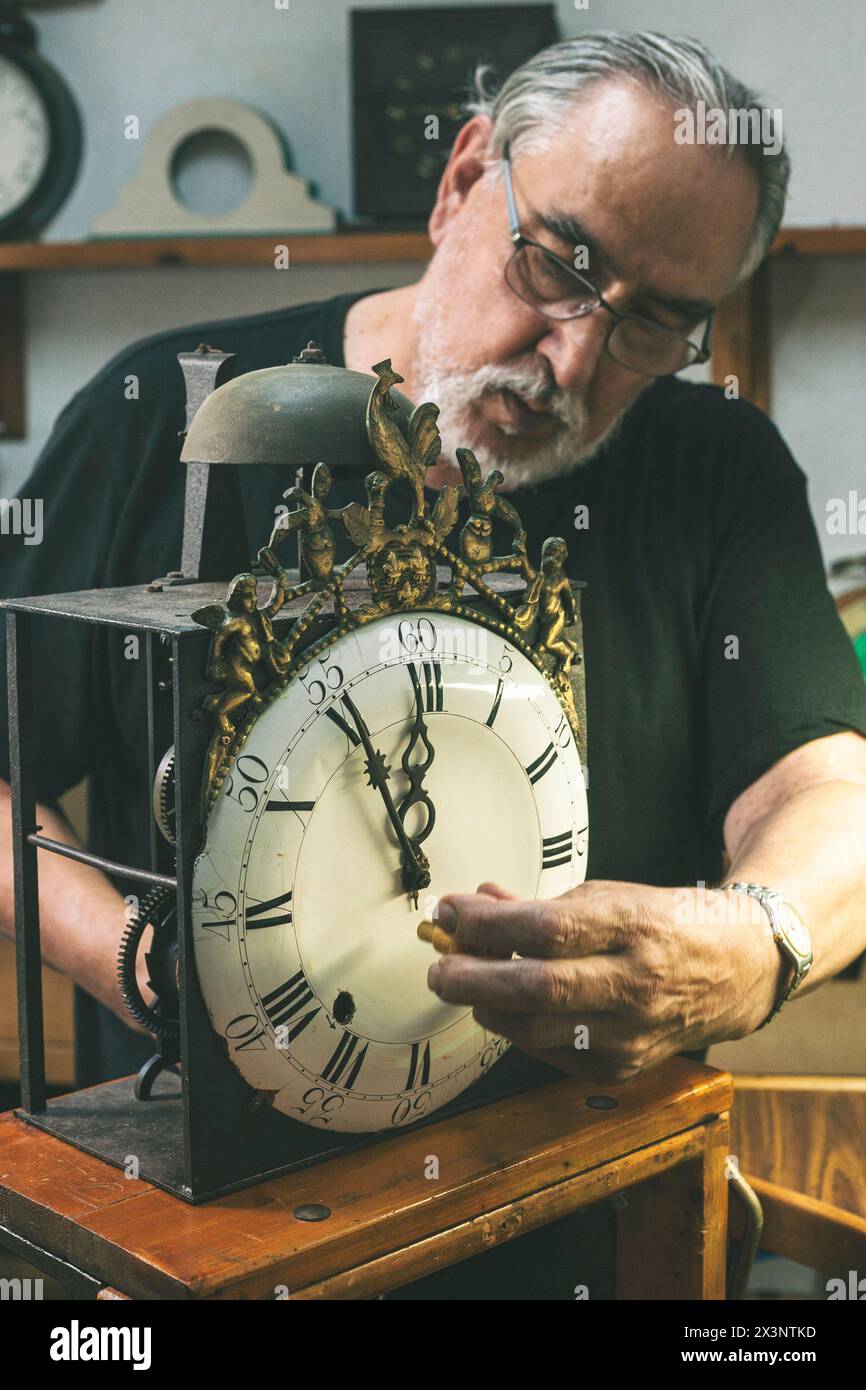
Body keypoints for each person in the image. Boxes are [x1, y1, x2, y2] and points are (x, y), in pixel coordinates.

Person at [2, 31, 866, 1299]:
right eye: (563, 263)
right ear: (465, 178)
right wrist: (140, 955)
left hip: (572, 1209)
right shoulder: (159, 417)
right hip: (223, 1230)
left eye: (653, 325)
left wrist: (758, 941)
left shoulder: (716, 471)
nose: (571, 356)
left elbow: (826, 790)